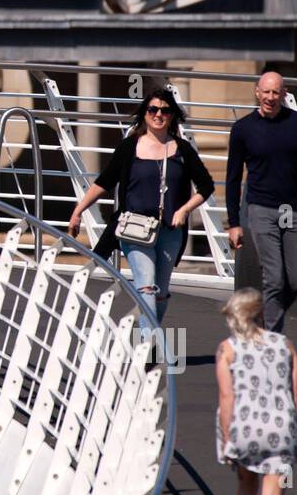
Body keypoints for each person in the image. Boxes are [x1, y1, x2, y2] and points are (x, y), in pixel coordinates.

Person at [68, 87, 214, 347]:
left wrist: (184, 210)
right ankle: (149, 350)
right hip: (135, 229)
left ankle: (146, 341)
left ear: (172, 116)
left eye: (165, 110)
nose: (159, 115)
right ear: (145, 113)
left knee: (160, 292)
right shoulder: (129, 147)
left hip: (170, 230)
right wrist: (79, 211)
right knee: (146, 287)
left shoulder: (182, 149)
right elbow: (104, 182)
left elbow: (206, 186)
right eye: (153, 109)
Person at [225, 70, 297, 333]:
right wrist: (234, 223)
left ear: (284, 94)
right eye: (266, 92)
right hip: (261, 209)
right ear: (257, 92)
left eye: (276, 92)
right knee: (273, 278)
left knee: (295, 281)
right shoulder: (242, 129)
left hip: (293, 210)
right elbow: (232, 177)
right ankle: (270, 338)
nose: (270, 98)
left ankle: (261, 317)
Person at [215, 288, 297, 495]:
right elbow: (295, 396)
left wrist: (226, 437)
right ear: (260, 313)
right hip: (281, 428)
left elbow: (226, 396)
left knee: (246, 490)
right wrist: (293, 436)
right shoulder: (286, 345)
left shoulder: (227, 348)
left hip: (245, 428)